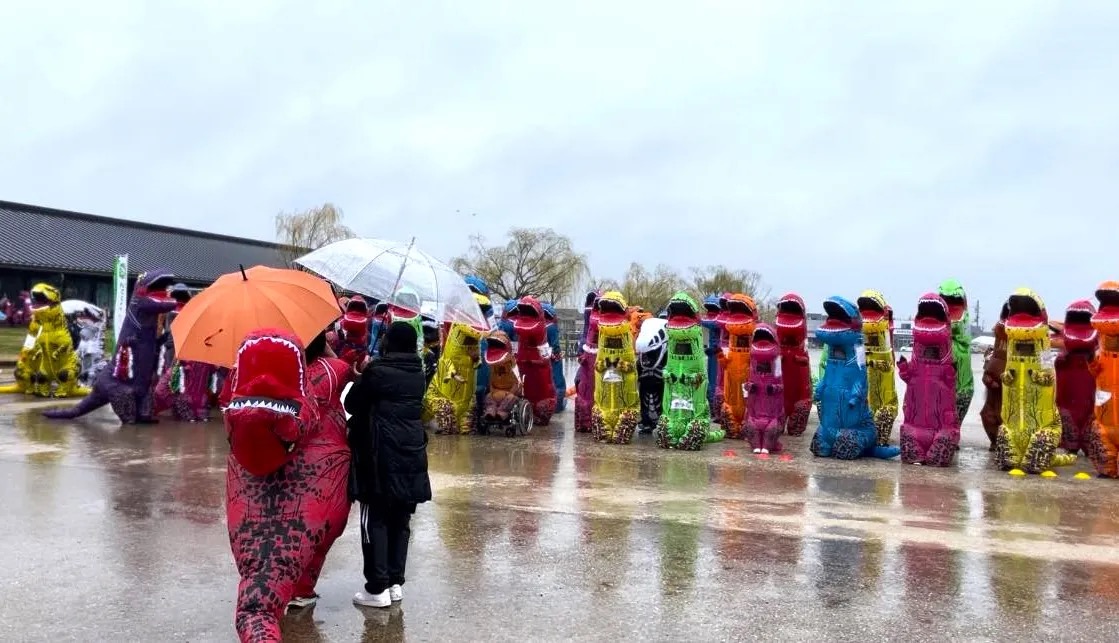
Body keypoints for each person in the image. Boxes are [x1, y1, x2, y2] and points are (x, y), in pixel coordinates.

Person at [344, 321, 432, 608]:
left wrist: (365, 371)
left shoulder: (377, 371)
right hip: (411, 453)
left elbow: (353, 403)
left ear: (389, 343)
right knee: (401, 520)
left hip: (379, 456)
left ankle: (377, 587)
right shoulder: (418, 373)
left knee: (376, 519)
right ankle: (395, 582)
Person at [288, 332, 359, 610]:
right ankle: (303, 587)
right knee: (328, 522)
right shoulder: (334, 369)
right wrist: (325, 346)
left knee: (294, 521)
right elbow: (348, 369)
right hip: (331, 454)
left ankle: (287, 583)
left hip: (295, 453)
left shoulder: (287, 373)